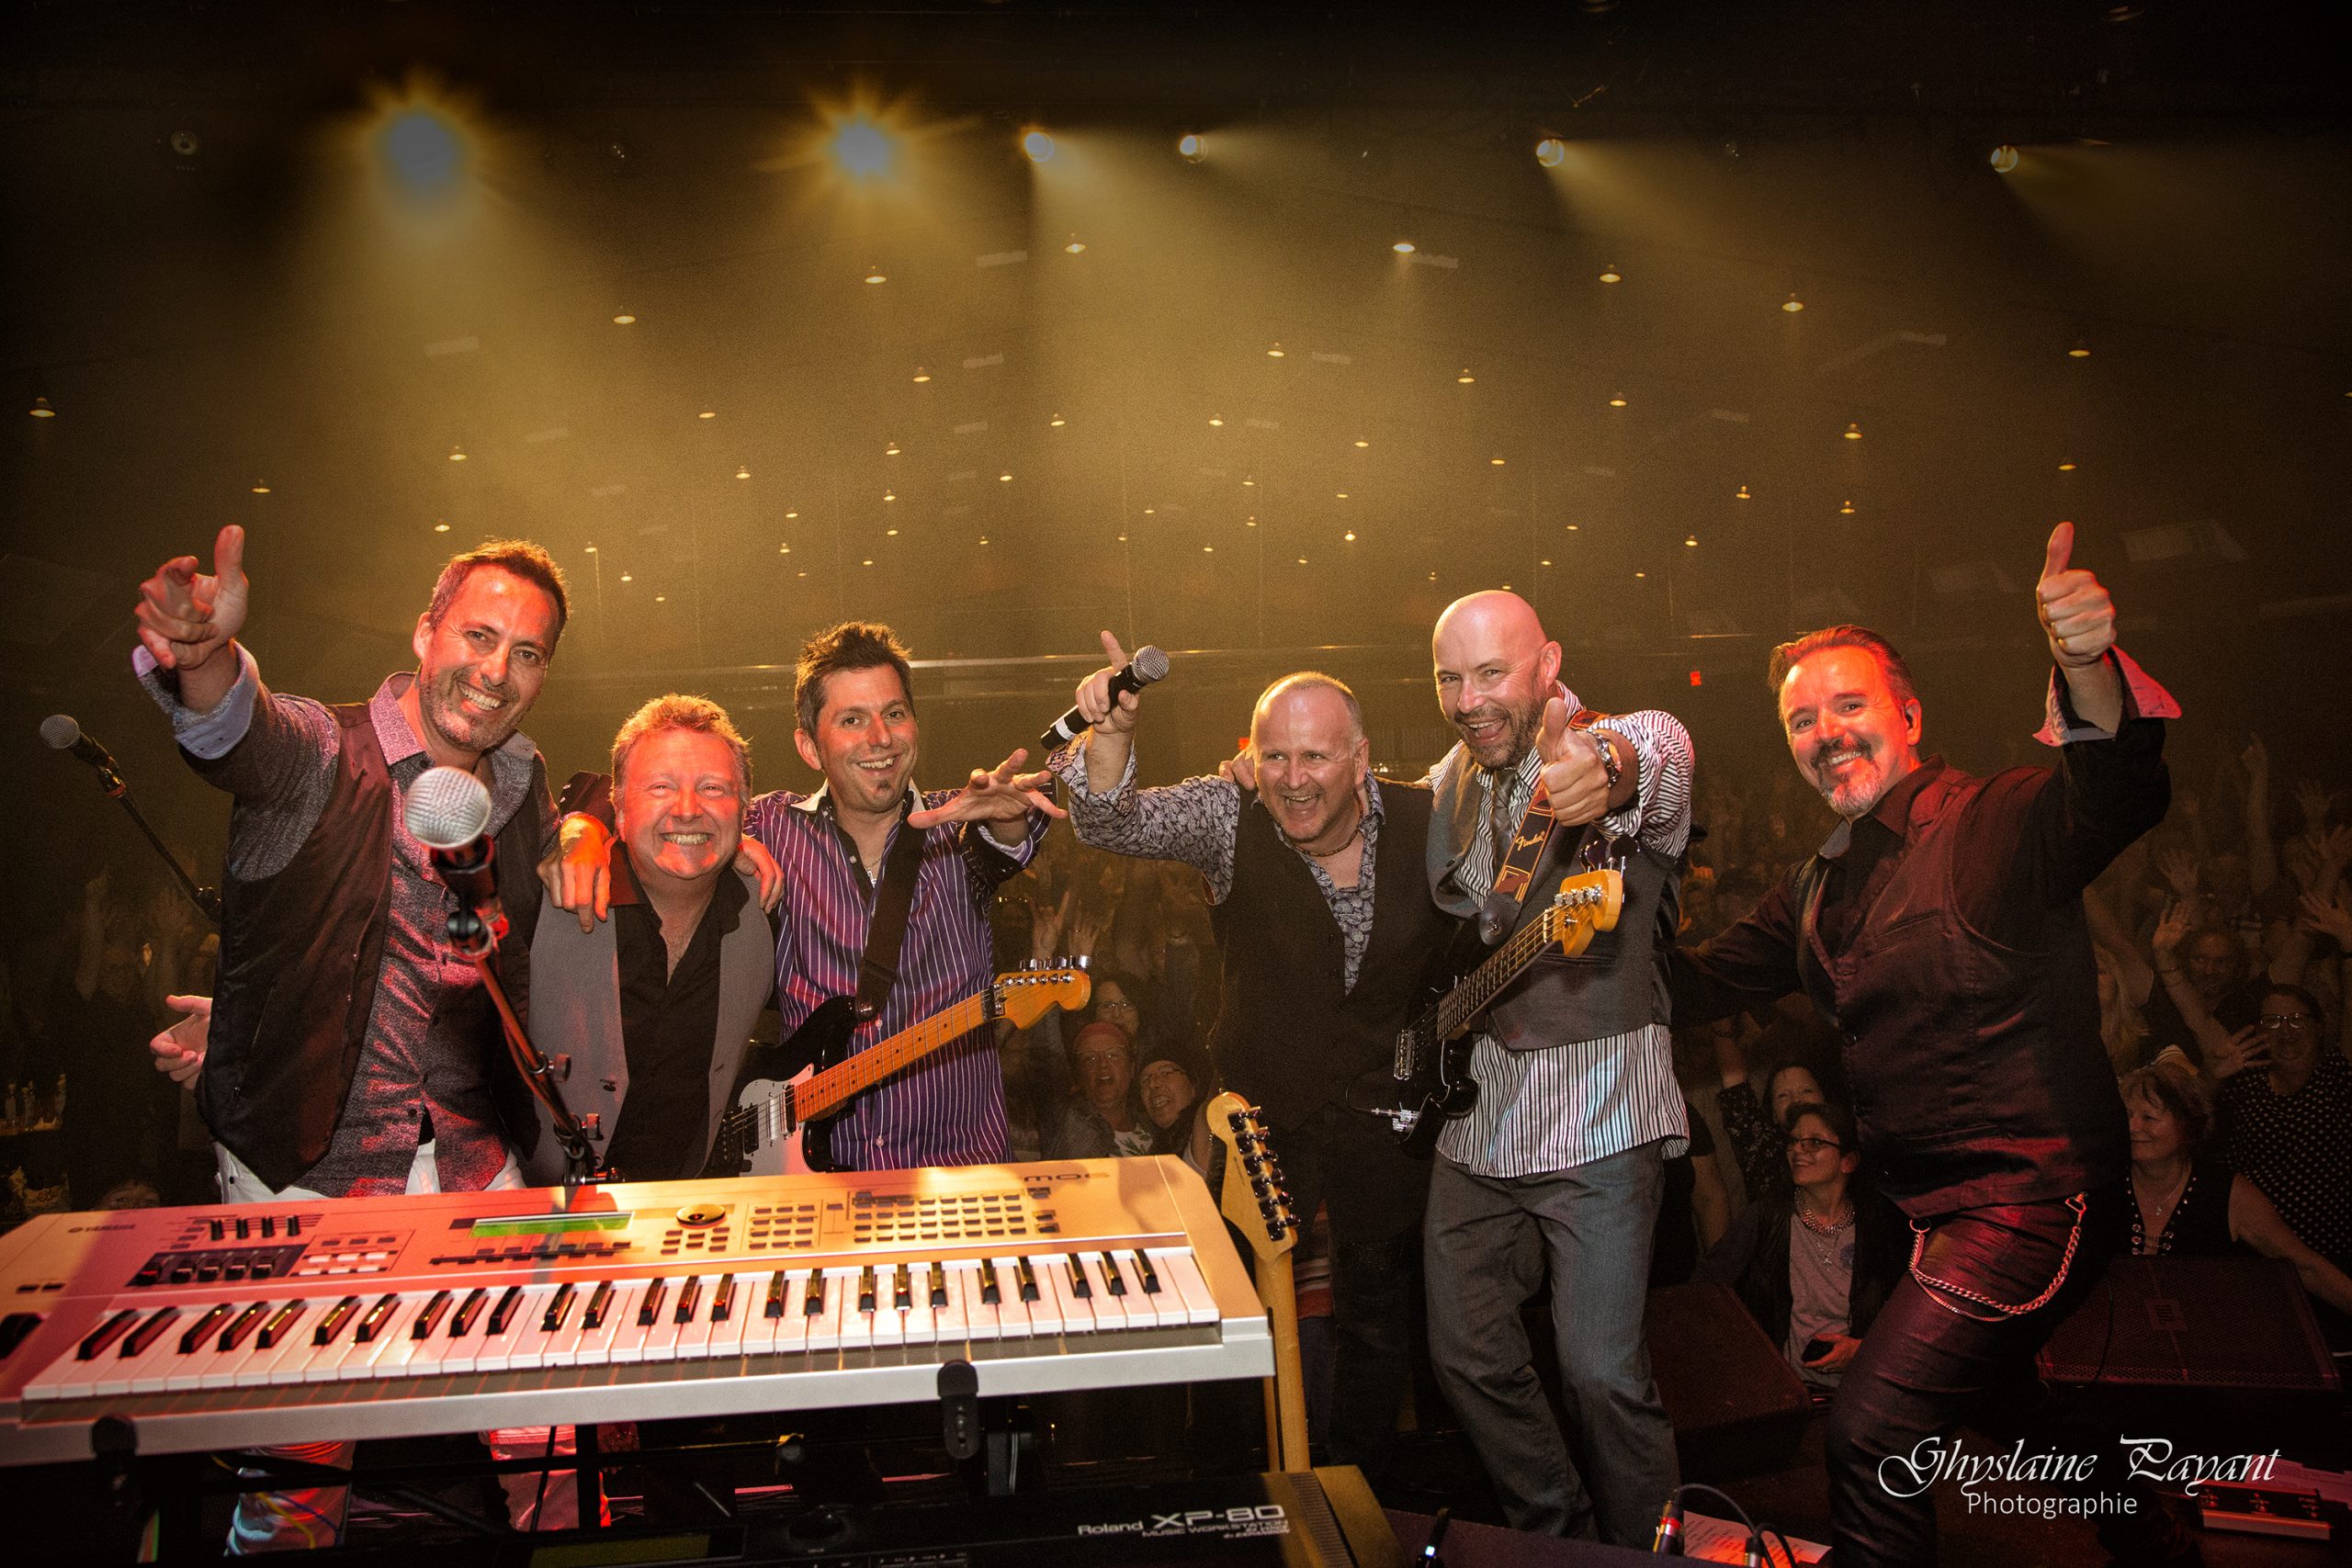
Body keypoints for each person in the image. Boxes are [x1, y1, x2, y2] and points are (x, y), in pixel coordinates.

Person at [1669, 524, 2186, 1566]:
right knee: (2013, 1418)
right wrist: (1602, 885)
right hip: (1926, 1219)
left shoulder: (1987, 820)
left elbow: (2115, 791)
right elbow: (1689, 983)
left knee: (1870, 1431)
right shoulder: (1814, 887)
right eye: (1800, 720)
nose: (1825, 733)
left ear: (1907, 715)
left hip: (2030, 1202)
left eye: (1848, 705)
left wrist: (2083, 669)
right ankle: (2157, 1534)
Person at [132, 528, 570, 1550]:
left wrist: (590, 830)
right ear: (425, 633)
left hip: (467, 1154)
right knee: (297, 1477)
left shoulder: (516, 784)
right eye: (478, 634)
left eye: (529, 653)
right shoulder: (324, 752)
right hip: (304, 1163)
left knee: (558, 1425)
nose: (496, 671)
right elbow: (242, 735)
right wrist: (204, 665)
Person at [1050, 635, 1459, 1484]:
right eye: (1274, 754)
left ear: (1360, 759)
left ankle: (1364, 1495)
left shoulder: (1432, 819)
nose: (1294, 776)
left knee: (1378, 1314)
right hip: (1262, 1109)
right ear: (1250, 755)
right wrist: (1115, 733)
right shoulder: (1228, 816)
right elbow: (1109, 819)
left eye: (1315, 754)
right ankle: (1226, 1492)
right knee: (1233, 1309)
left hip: (1386, 1118)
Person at [547, 620, 1057, 1170]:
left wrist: (1007, 822)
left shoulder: (957, 820)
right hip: (809, 1176)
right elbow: (643, 795)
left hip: (957, 1174)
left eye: (894, 713)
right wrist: (583, 830)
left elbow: (1003, 839)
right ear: (809, 746)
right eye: (852, 720)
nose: (880, 738)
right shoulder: (770, 825)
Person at [1417, 590, 1693, 1546]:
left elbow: (1661, 744)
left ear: (1547, 665)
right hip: (1479, 1111)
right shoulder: (1450, 776)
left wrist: (1608, 768)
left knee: (1602, 1375)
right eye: (1449, 677)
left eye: (1492, 673)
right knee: (1462, 1353)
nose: (1468, 698)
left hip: (1601, 1113)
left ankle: (1647, 1553)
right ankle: (1558, 1531)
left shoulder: (1598, 742)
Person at [522, 694, 776, 1186]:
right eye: (661, 786)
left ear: (744, 808)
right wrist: (581, 823)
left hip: (682, 1220)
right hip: (537, 1216)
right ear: (618, 805)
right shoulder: (547, 893)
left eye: (713, 788)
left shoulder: (761, 912)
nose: (687, 810)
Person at [1699, 1100, 1905, 1394]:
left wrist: (1864, 1350)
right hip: (1791, 1392)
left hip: (1863, 1393)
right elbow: (1705, 1288)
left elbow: (1910, 1316)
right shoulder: (1768, 1217)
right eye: (1795, 1141)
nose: (1798, 1150)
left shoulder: (1877, 1223)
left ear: (1848, 1161)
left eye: (1814, 1142)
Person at [2118, 1060, 2352, 1314]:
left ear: (2187, 1124)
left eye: (2149, 1117)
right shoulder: (2103, 1186)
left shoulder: (2228, 1193)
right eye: (2127, 1115)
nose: (2133, 1127)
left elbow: (2308, 1268)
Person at [2212, 984, 2352, 1282]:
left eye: (2297, 1019)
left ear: (2317, 1026)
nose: (2286, 1031)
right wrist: (2210, 1078)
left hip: (2334, 1252)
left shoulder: (2338, 1076)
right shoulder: (2245, 1084)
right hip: (2256, 1252)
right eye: (2273, 1021)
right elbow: (2189, 1125)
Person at [1040, 1021, 1152, 1159]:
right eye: (1089, 1058)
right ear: (1078, 1076)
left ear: (1131, 1069)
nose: (1102, 1064)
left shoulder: (1154, 1127)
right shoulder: (1063, 1122)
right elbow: (1045, 1056)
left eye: (1113, 1055)